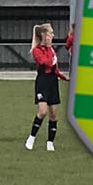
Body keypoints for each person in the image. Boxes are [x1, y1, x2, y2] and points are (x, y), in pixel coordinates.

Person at [24, 23, 69, 152]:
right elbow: (46, 62)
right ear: (44, 35)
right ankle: (31, 138)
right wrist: (51, 59)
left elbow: (55, 68)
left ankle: (50, 142)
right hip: (43, 82)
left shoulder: (52, 50)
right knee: (43, 111)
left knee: (54, 114)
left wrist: (64, 77)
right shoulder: (37, 50)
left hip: (52, 82)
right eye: (50, 33)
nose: (52, 35)